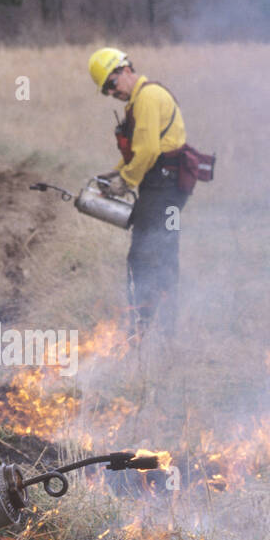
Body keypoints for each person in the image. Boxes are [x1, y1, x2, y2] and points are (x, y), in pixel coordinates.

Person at [88, 47, 189, 339]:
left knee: (143, 256)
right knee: (163, 253)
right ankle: (161, 327)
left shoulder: (147, 97)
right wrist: (117, 170)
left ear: (125, 70)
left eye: (111, 84)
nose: (111, 92)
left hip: (163, 188)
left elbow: (148, 151)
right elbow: (140, 148)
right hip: (162, 186)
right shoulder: (140, 98)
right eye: (106, 90)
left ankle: (142, 329)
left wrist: (125, 181)